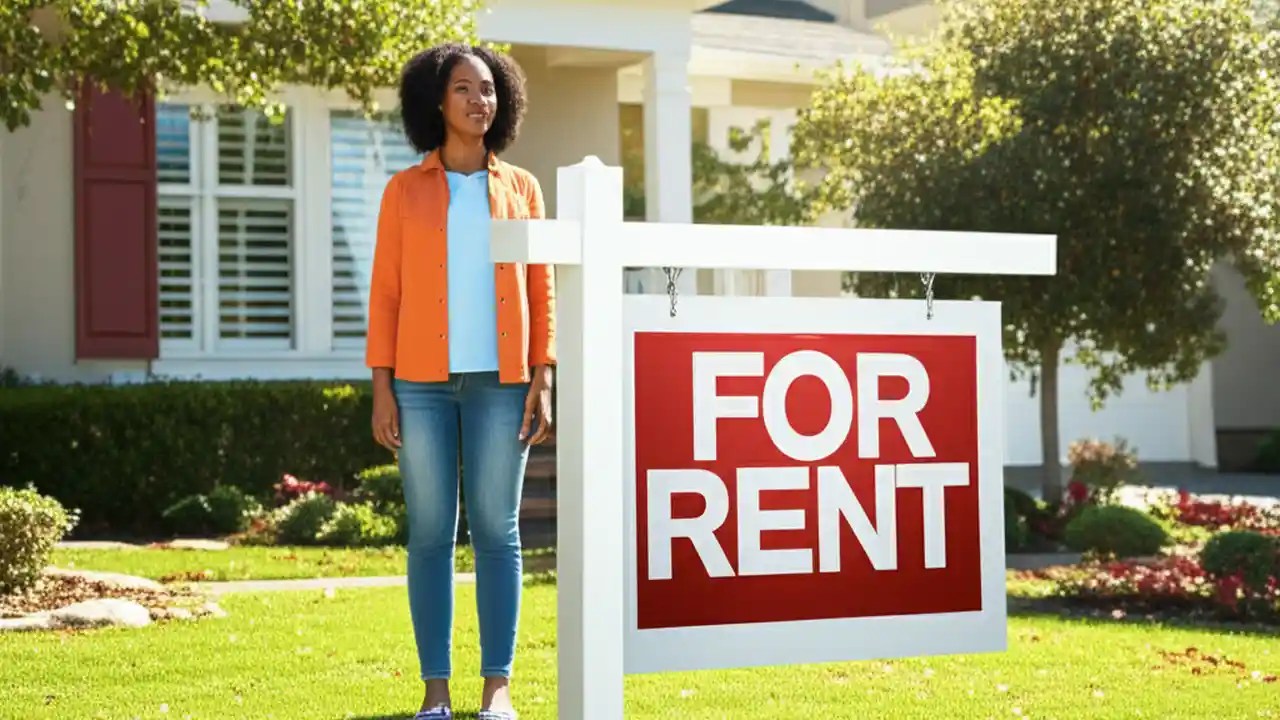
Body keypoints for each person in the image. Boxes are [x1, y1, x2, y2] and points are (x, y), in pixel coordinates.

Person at [365, 43, 555, 720]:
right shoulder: (403, 191)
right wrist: (381, 384)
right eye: (465, 90)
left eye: (490, 90)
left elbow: (542, 286)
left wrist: (544, 373)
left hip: (503, 385)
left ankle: (496, 688)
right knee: (429, 533)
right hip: (418, 384)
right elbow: (384, 293)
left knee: (499, 532)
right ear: (435, 103)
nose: (481, 102)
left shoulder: (522, 189)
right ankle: (435, 692)